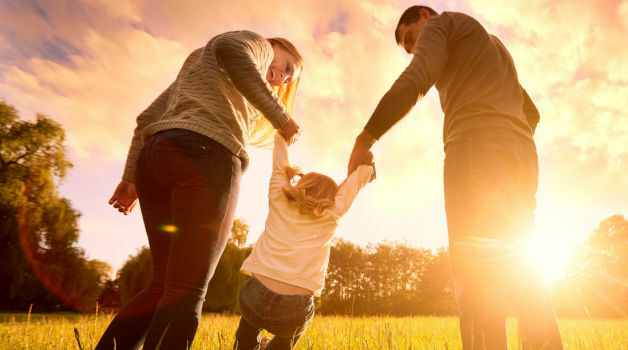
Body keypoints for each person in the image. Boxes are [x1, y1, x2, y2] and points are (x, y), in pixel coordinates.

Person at [347, 6, 563, 350]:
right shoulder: (491, 46)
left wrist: (366, 138)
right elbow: (531, 112)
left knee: (475, 271)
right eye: (407, 46)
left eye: (411, 38)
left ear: (423, 16)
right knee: (521, 269)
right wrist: (507, 139)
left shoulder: (442, 24)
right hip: (521, 157)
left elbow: (416, 79)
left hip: (476, 150)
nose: (413, 48)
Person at [98, 31, 303, 350]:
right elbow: (230, 47)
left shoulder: (199, 63)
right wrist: (281, 117)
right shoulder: (257, 45)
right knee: (186, 288)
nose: (285, 77)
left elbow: (147, 119)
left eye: (291, 77)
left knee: (163, 284)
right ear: (275, 46)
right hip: (206, 156)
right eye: (289, 64)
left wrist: (130, 178)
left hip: (155, 158)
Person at [234, 136, 375, 350]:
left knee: (248, 329)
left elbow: (279, 163)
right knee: (286, 338)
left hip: (255, 296)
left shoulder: (279, 198)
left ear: (302, 184)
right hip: (294, 307)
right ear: (332, 197)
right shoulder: (332, 213)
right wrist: (366, 167)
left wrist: (283, 136)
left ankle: (247, 345)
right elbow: (355, 184)